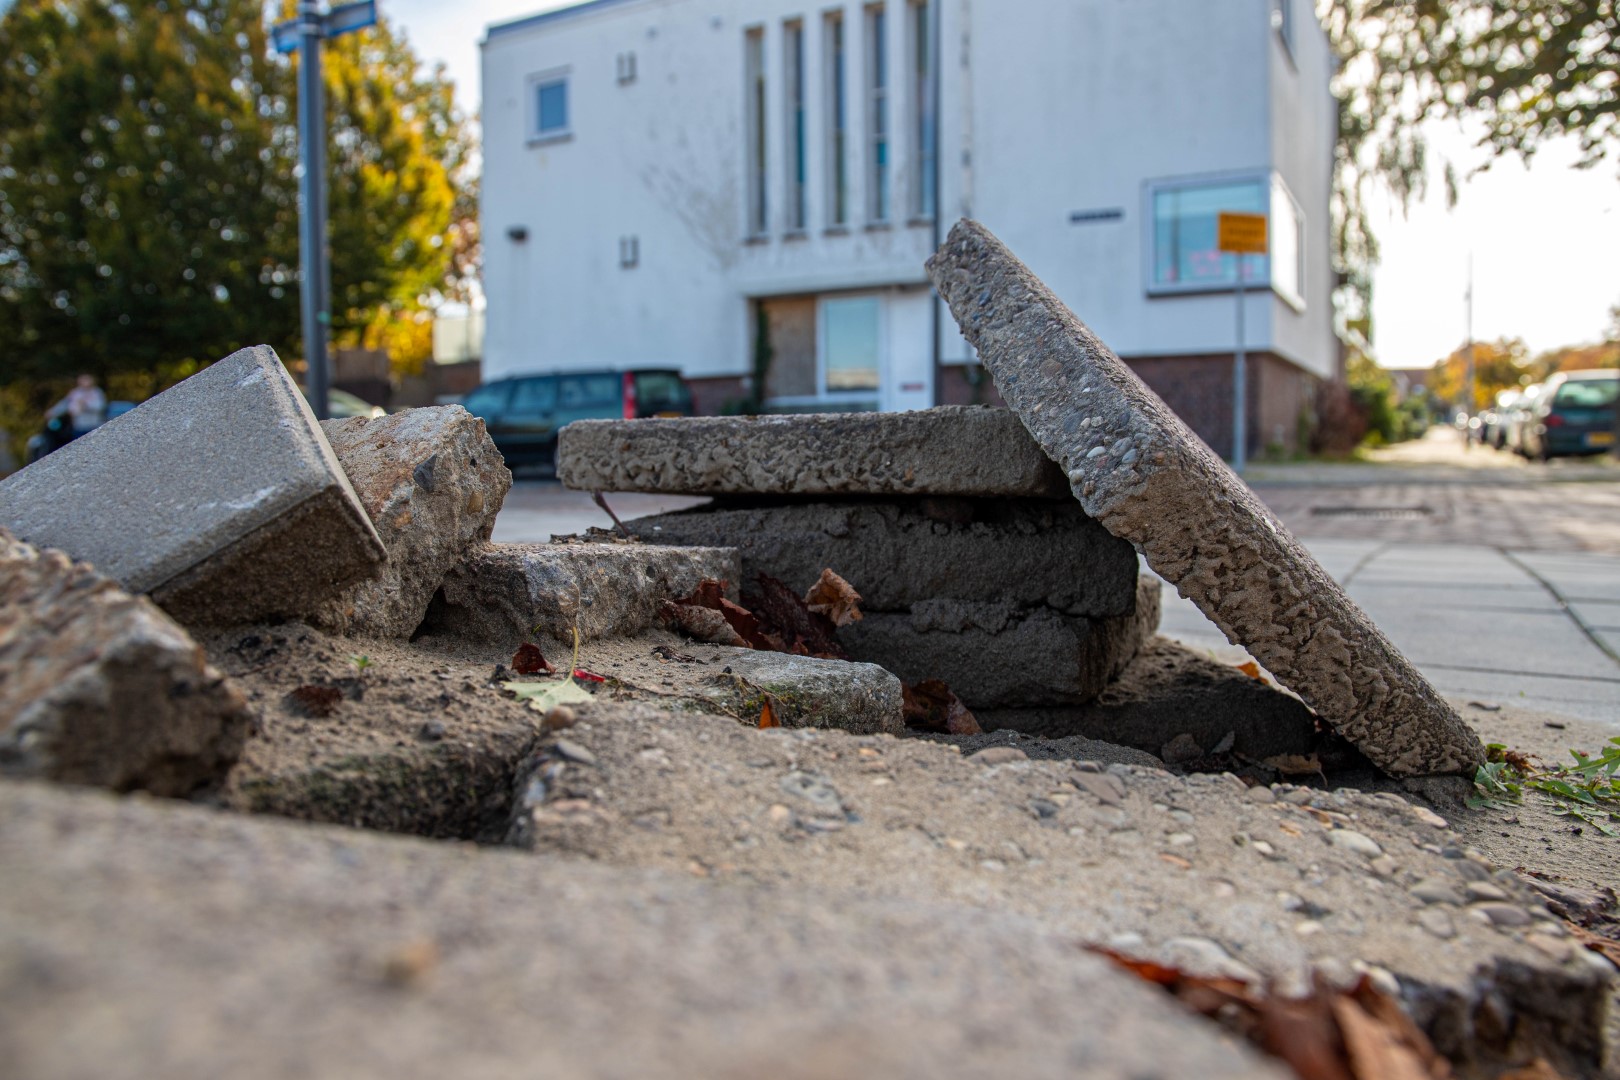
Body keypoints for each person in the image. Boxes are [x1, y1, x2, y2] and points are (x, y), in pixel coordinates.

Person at [46, 374, 107, 440]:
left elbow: (101, 406)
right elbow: (64, 404)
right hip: (79, 426)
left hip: (94, 425)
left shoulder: (97, 392)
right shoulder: (75, 393)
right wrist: (53, 412)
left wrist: (85, 405)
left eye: (86, 380)